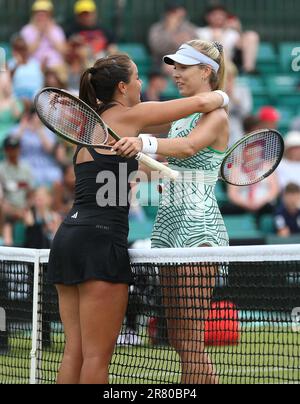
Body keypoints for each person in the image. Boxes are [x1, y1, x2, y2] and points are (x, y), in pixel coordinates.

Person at [46, 52, 228, 384]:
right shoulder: (131, 116)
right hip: (100, 243)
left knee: (74, 351)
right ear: (122, 86)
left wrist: (156, 171)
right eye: (137, 78)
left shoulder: (96, 123)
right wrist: (223, 93)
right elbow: (204, 102)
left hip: (68, 238)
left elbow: (114, 181)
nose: (141, 84)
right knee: (96, 360)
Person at [112, 40, 229, 384]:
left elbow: (188, 147)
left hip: (198, 228)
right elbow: (164, 163)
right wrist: (125, 157)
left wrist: (144, 143)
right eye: (174, 66)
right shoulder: (185, 115)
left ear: (206, 71)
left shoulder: (216, 115)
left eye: (183, 67)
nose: (175, 73)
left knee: (191, 340)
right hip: (169, 226)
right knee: (179, 338)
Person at [197, 5, 260, 73]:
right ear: (207, 17)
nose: (218, 17)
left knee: (252, 35)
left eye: (221, 14)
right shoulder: (201, 31)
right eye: (215, 15)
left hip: (231, 65)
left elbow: (242, 46)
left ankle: (248, 70)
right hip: (209, 66)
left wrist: (238, 29)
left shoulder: (232, 33)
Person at [0, 136, 33, 247]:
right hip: (7, 209)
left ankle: (31, 251)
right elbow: (1, 198)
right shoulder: (1, 169)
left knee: (30, 220)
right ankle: (7, 252)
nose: (13, 151)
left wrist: (26, 207)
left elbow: (31, 193)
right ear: (5, 150)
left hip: (24, 208)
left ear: (19, 149)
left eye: (15, 148)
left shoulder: (26, 169)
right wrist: (13, 210)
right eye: (10, 148)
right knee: (5, 214)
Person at [148, 0, 198, 70]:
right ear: (166, 13)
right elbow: (156, 48)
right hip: (163, 61)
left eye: (178, 10)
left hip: (186, 60)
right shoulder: (157, 28)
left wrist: (183, 41)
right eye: (172, 11)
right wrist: (170, 32)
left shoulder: (190, 28)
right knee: (172, 67)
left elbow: (195, 48)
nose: (175, 14)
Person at [20, 0, 67, 71]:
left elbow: (63, 51)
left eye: (44, 14)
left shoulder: (57, 29)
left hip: (55, 65)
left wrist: (48, 33)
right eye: (38, 14)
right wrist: (39, 34)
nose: (41, 17)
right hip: (34, 66)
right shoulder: (27, 30)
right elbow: (27, 52)